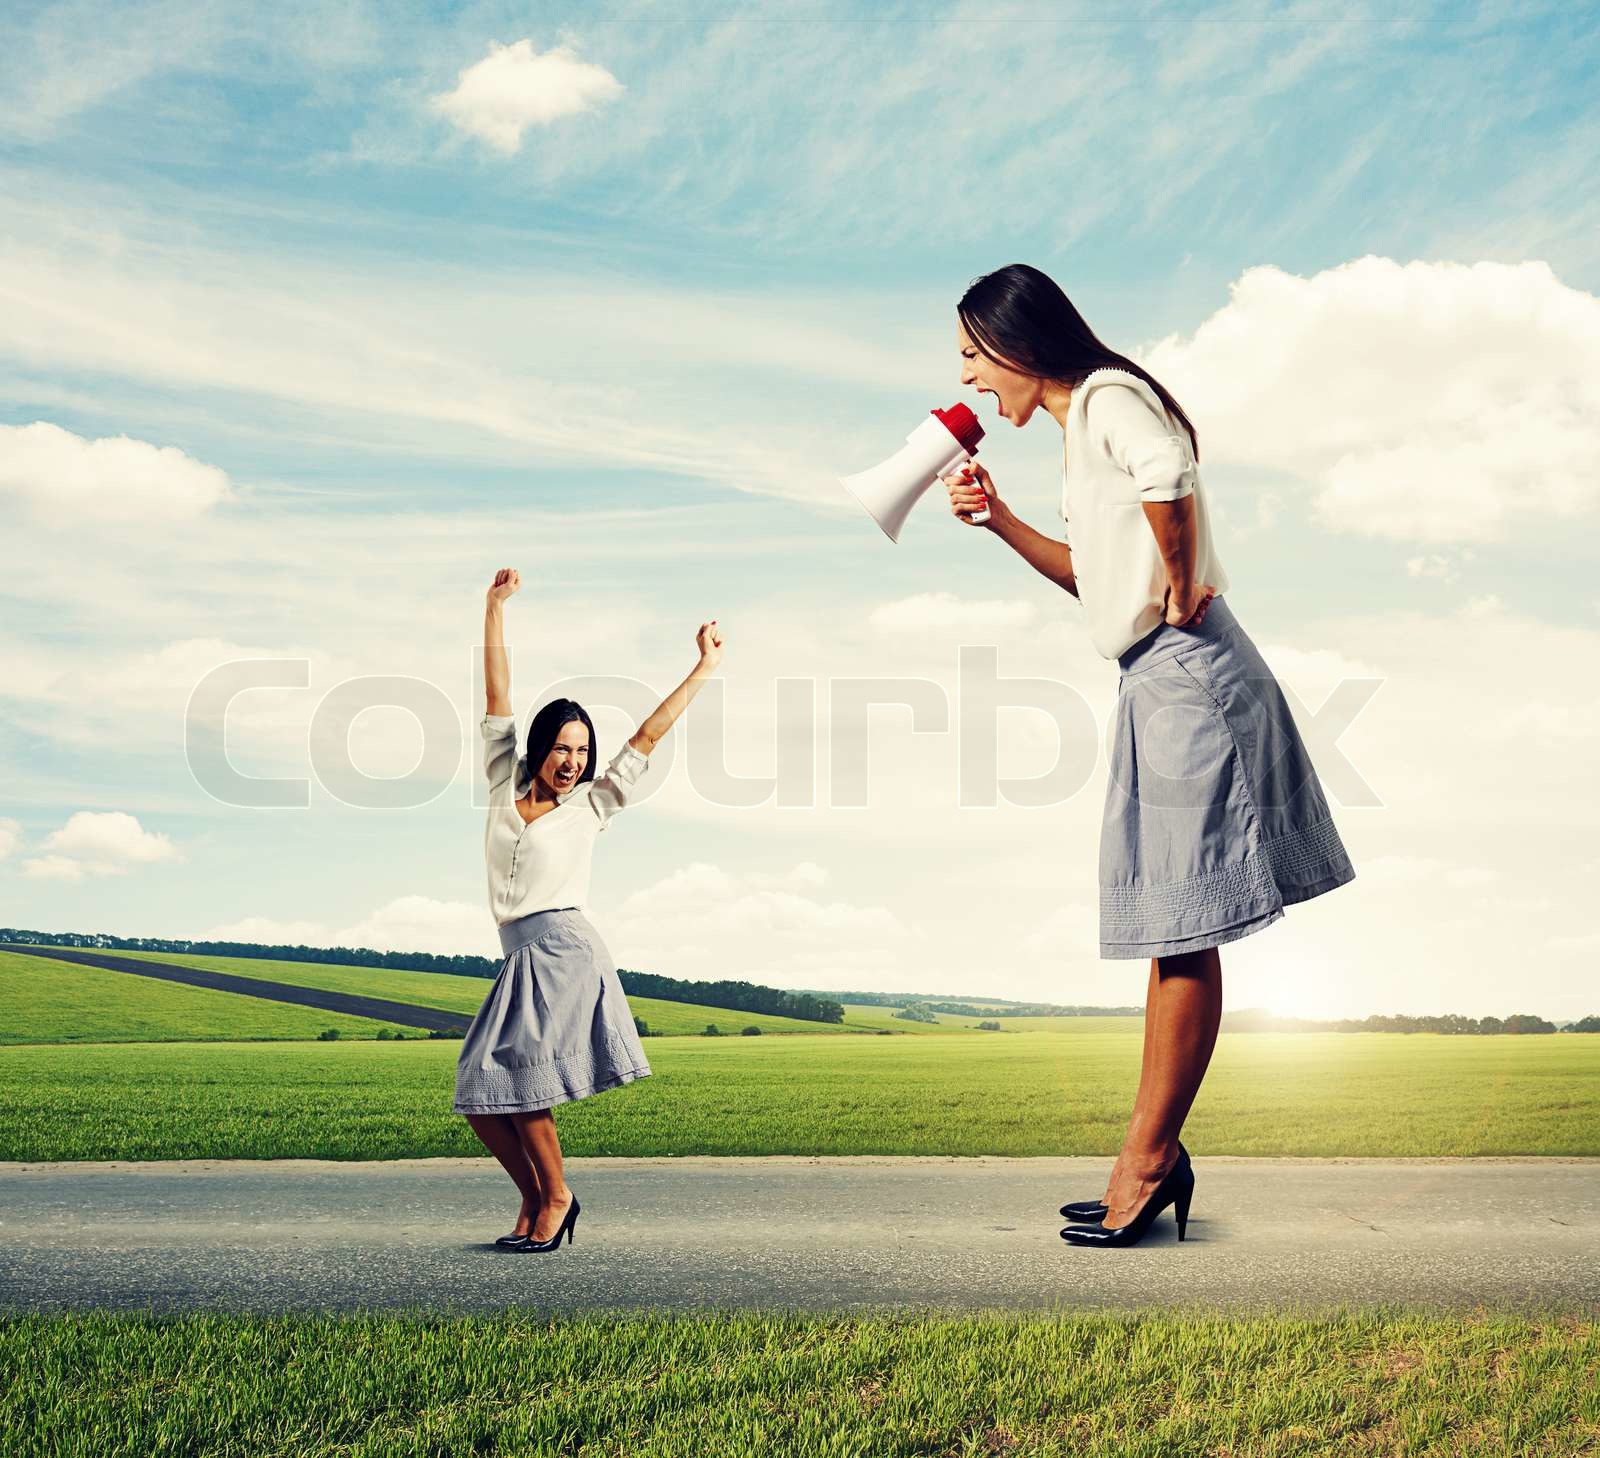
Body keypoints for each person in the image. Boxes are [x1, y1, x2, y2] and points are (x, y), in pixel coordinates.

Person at [940, 264, 1356, 1248]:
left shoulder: (1106, 400)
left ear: (1015, 345)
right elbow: (1091, 576)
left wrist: (1176, 583)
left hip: (1185, 670)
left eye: (970, 356)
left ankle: (1147, 1160)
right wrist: (998, 520)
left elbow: (1167, 474)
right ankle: (1149, 1155)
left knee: (1181, 926)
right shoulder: (1080, 429)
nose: (965, 380)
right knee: (1175, 925)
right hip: (1154, 676)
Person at [455, 566, 724, 1252]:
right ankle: (537, 1196)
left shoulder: (593, 807)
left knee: (520, 1088)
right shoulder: (500, 781)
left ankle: (558, 1199)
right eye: (561, 748)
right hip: (520, 954)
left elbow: (649, 735)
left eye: (581, 751)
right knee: (479, 1094)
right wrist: (493, 608)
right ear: (540, 746)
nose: (571, 761)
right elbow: (496, 691)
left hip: (566, 952)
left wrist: (703, 667)